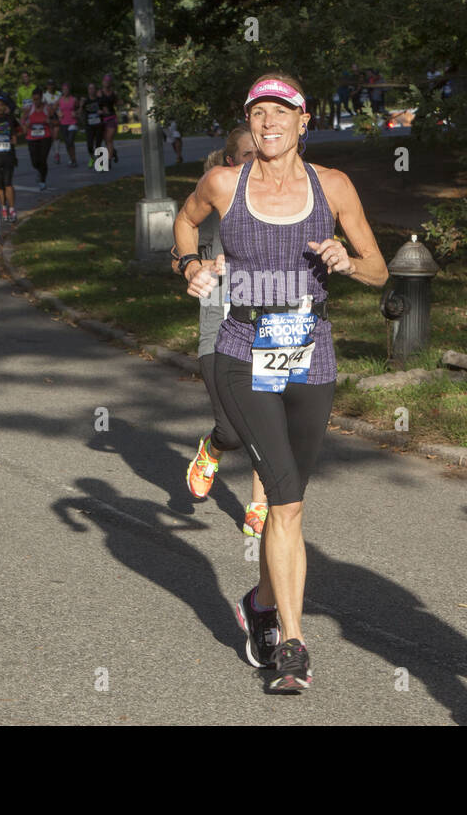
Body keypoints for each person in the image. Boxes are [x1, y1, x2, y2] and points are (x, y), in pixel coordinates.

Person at [174, 72, 387, 691]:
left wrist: (349, 262)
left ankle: (261, 604)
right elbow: (184, 224)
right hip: (243, 349)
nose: (268, 124)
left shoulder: (334, 186)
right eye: (257, 114)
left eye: (279, 113)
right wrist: (190, 265)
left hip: (311, 352)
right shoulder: (223, 183)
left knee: (291, 502)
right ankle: (292, 645)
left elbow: (378, 269)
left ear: (303, 120)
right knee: (285, 501)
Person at [184, 127, 270, 538]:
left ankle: (259, 503)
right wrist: (196, 268)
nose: (259, 161)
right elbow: (178, 252)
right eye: (248, 155)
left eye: (263, 153)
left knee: (268, 419)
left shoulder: (286, 201)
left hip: (269, 327)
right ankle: (213, 448)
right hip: (218, 325)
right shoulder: (218, 200)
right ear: (232, 162)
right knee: (233, 431)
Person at [23, 98, 54, 192]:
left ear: (41, 98)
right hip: (32, 138)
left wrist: (49, 122)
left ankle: (42, 181)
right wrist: (25, 125)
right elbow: (23, 121)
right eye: (34, 99)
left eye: (38, 98)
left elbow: (56, 121)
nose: (36, 101)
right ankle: (40, 171)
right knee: (35, 162)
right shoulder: (29, 109)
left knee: (43, 159)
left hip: (45, 137)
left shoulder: (47, 108)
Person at [57, 83, 80, 166]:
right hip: (63, 123)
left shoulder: (73, 99)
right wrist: (59, 113)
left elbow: (79, 110)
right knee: (67, 143)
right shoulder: (60, 100)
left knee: (70, 141)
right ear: (62, 91)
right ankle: (72, 159)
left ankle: (74, 159)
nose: (65, 91)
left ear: (69, 90)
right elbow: (56, 109)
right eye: (64, 89)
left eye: (66, 89)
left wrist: (76, 113)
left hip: (72, 122)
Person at [100, 74, 119, 166]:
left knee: (109, 139)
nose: (106, 83)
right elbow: (95, 104)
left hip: (112, 118)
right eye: (105, 81)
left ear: (110, 83)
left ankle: (108, 161)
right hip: (102, 119)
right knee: (105, 140)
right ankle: (113, 151)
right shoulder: (99, 93)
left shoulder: (114, 93)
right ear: (102, 82)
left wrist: (120, 102)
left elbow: (117, 103)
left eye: (108, 81)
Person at [82, 83, 104, 168]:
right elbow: (80, 111)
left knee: (98, 145)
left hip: (99, 125)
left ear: (95, 90)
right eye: (89, 89)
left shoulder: (99, 100)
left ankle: (101, 164)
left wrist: (102, 112)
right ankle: (92, 158)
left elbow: (105, 110)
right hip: (89, 126)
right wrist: (81, 105)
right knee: (90, 146)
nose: (91, 90)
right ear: (88, 90)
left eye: (93, 88)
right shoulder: (85, 101)